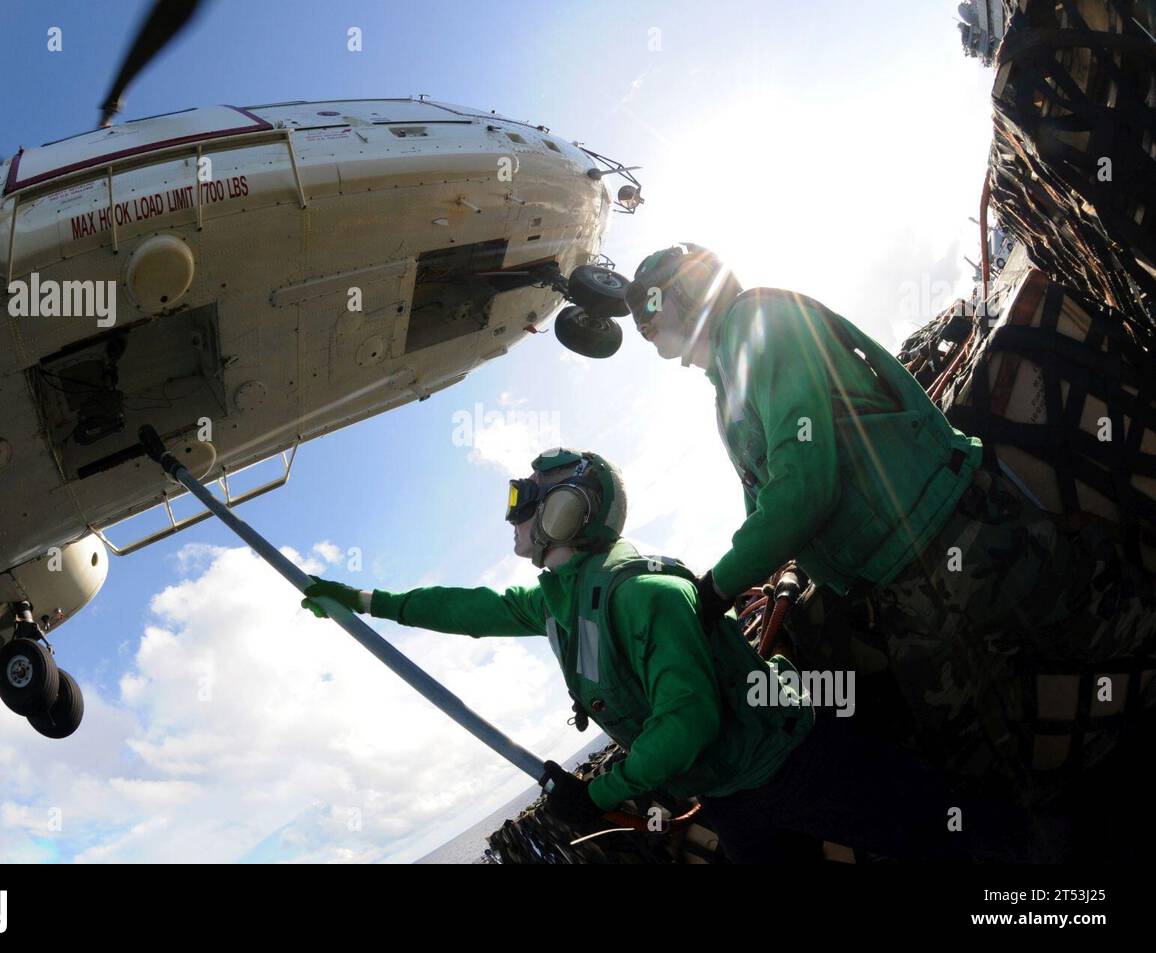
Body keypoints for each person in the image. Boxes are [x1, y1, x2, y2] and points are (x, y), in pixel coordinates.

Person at [300, 447, 1012, 862]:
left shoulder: (640, 592)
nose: (513, 511)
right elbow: (465, 609)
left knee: (951, 835)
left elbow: (688, 720)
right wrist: (363, 600)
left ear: (567, 510)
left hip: (795, 760)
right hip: (736, 793)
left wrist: (600, 793)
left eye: (527, 497)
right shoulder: (559, 598)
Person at [623, 243, 1156, 787]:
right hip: (899, 590)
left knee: (1117, 628)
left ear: (688, 292)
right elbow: (766, 501)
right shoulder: (727, 384)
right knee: (978, 763)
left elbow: (804, 487)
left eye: (649, 307)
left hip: (957, 536)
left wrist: (716, 591)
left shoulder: (762, 322)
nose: (644, 325)